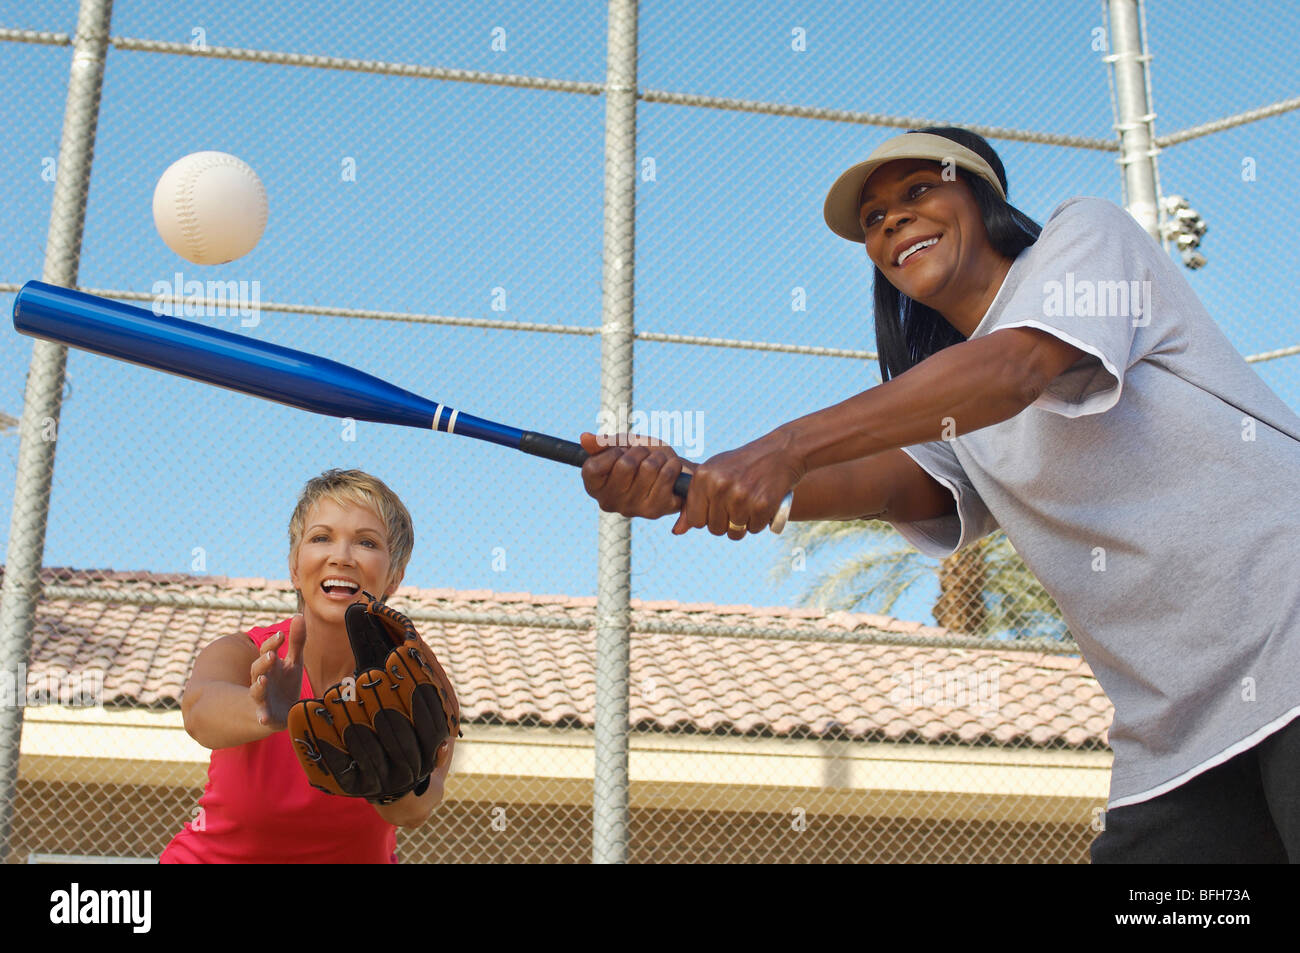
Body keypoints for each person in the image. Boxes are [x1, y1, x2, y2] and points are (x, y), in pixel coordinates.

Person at [577, 127, 1300, 863]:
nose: (891, 220)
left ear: (981, 196)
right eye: (873, 220)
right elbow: (877, 485)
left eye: (919, 191)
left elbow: (1017, 366)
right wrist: (681, 485)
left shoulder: (1084, 237)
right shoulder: (949, 410)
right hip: (1179, 730)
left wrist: (782, 447)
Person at [161, 469, 455, 863]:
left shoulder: (416, 682)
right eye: (321, 538)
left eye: (366, 542)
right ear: (295, 568)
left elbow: (414, 811)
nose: (342, 556)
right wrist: (262, 710)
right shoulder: (247, 652)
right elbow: (199, 712)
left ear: (395, 577)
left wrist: (394, 782)